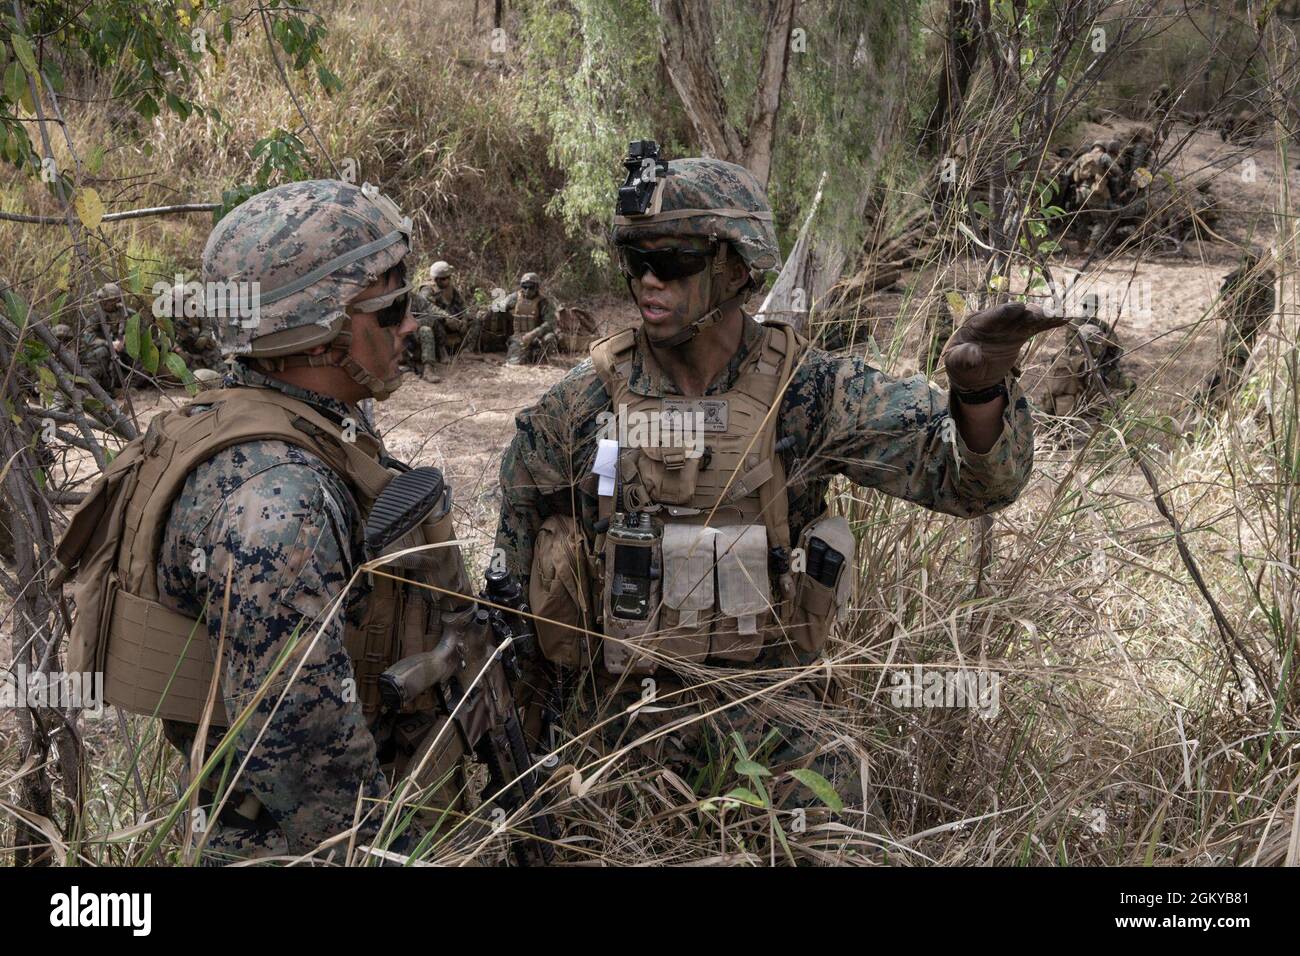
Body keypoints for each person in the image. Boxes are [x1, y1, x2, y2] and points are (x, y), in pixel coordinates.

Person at [492, 146, 1064, 823]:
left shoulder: (810, 392)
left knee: (836, 823)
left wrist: (979, 390)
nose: (650, 281)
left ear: (735, 265)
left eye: (673, 262)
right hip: (619, 719)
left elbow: (972, 485)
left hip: (770, 711)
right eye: (636, 261)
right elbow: (511, 605)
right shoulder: (575, 410)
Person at [54, 180, 497, 864]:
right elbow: (313, 773)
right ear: (317, 331)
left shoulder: (284, 426)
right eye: (392, 308)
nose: (412, 325)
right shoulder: (278, 497)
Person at [501, 272, 558, 365]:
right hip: (519, 337)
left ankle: (540, 357)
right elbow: (499, 308)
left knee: (550, 338)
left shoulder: (543, 302)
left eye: (531, 287)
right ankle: (527, 354)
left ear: (537, 287)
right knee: (515, 363)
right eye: (524, 286)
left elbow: (551, 322)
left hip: (537, 338)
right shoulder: (514, 298)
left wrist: (533, 334)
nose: (527, 290)